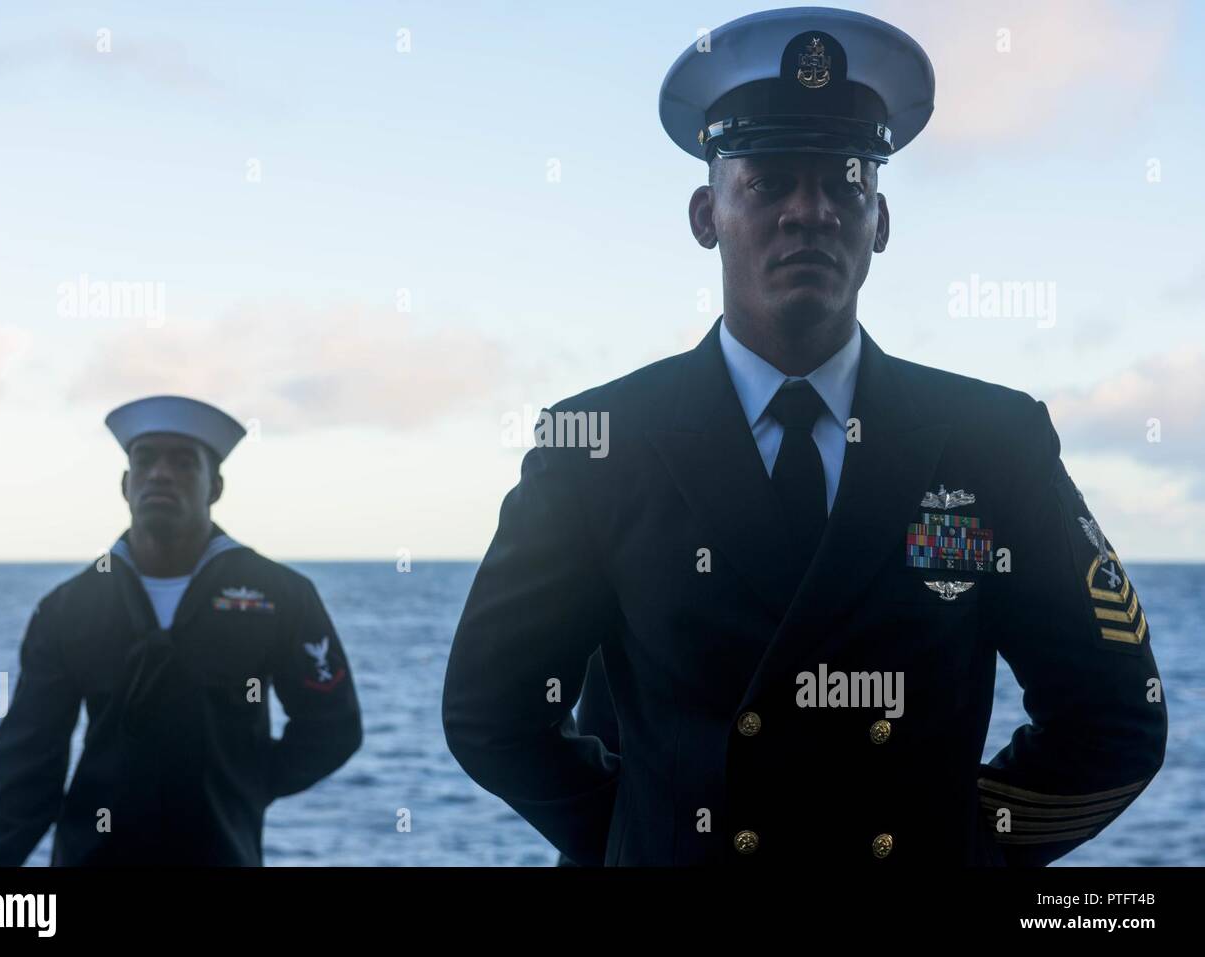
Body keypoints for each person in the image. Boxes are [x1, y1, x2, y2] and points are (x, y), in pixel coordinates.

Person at [442, 7, 1167, 866]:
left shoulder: (991, 440)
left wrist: (964, 845)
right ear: (706, 213)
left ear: (881, 223)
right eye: (772, 180)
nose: (809, 212)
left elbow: (1116, 714)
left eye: (843, 184)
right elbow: (491, 711)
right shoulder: (596, 444)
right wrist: (646, 839)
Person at [0, 395, 362, 865]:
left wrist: (245, 783)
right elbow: (27, 758)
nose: (161, 473)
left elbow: (332, 726)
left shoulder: (280, 596)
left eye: (184, 462)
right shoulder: (68, 608)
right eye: (145, 459)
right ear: (126, 483)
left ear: (216, 486)